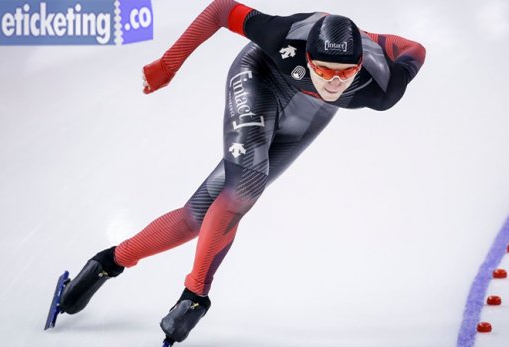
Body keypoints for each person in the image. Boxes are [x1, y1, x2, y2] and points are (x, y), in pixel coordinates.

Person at [55, 0, 426, 344]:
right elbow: (221, 9)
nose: (333, 81)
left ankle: (107, 262)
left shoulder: (383, 88)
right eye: (324, 69)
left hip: (310, 112)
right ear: (306, 57)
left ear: (360, 65)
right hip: (260, 76)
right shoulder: (283, 37)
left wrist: (371, 39)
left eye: (345, 73)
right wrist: (169, 65)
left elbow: (415, 50)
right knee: (243, 187)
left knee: (196, 217)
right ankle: (196, 295)